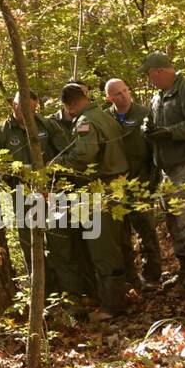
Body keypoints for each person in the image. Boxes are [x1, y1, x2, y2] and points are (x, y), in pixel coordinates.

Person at [47, 82, 131, 315]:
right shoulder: (105, 116)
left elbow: (84, 155)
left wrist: (55, 165)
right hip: (115, 186)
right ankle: (111, 297)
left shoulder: (85, 122)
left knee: (103, 249)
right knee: (111, 244)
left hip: (100, 189)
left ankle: (113, 306)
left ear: (69, 105)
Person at [143, 52, 185, 289]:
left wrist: (170, 132)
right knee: (173, 219)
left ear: (161, 71)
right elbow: (154, 124)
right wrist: (149, 129)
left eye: (151, 75)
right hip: (167, 167)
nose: (151, 80)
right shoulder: (158, 98)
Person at [0, 90, 65, 282]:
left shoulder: (46, 125)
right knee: (31, 246)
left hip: (51, 191)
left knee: (60, 242)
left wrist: (51, 170)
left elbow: (64, 152)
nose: (28, 114)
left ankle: (69, 294)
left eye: (32, 110)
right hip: (22, 194)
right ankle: (44, 296)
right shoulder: (2, 132)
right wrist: (17, 172)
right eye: (23, 108)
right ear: (13, 105)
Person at [105, 78, 164, 287]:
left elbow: (155, 149)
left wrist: (153, 179)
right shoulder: (105, 119)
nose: (124, 95)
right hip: (115, 188)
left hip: (141, 182)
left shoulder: (144, 114)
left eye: (125, 90)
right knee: (121, 237)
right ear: (109, 98)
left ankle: (153, 276)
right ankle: (130, 279)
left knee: (146, 231)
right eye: (118, 93)